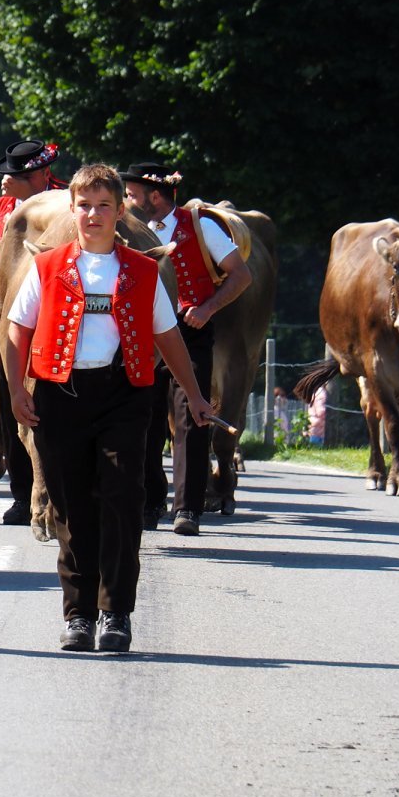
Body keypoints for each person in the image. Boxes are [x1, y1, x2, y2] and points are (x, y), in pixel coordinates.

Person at [4, 164, 211, 652]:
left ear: (121, 212)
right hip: (61, 395)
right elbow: (17, 330)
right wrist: (17, 390)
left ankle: (115, 612)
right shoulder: (46, 266)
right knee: (72, 508)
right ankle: (78, 615)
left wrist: (196, 396)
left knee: (121, 500)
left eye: (103, 206)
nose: (93, 215)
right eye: (84, 205)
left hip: (124, 394)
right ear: (72, 209)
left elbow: (168, 336)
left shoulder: (141, 270)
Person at [123, 162, 251, 535]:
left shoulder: (201, 226)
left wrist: (208, 307)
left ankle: (187, 508)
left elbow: (241, 275)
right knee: (144, 416)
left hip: (189, 329)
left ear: (156, 196)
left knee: (192, 416)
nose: (127, 201)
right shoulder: (129, 231)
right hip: (145, 334)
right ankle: (149, 502)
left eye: (131, 195)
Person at [0, 139, 63, 525]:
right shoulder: (1, 210)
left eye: (15, 176)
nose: (4, 183)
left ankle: (61, 487)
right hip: (9, 321)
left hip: (54, 320)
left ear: (39, 176)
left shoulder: (70, 204)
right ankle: (23, 493)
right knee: (10, 403)